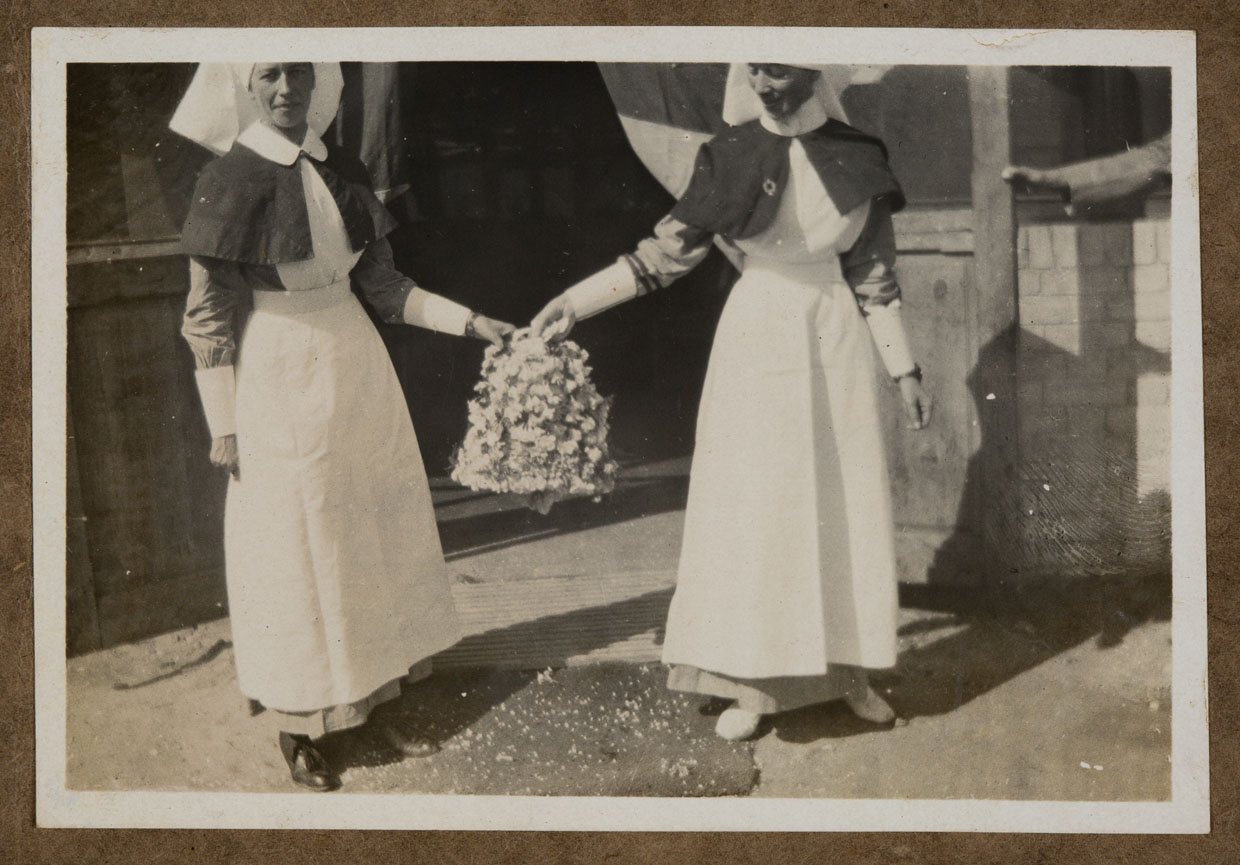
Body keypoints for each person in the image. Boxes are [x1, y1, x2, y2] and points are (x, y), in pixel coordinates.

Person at [532, 63, 932, 741]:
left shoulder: (857, 155)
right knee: (759, 512)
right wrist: (574, 303)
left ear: (814, 69)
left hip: (833, 339)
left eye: (779, 69)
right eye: (756, 68)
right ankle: (752, 683)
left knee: (842, 506)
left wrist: (905, 370)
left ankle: (851, 674)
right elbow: (664, 254)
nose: (765, 83)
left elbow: (872, 273)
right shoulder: (730, 154)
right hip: (757, 337)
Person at [172, 62, 514, 790]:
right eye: (271, 76)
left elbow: (385, 288)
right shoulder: (230, 180)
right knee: (297, 545)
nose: (288, 88)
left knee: (369, 536)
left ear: (322, 84)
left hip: (358, 365)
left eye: (301, 74)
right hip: (281, 371)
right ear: (249, 88)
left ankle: (368, 697)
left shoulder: (342, 167)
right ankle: (300, 727)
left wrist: (471, 322)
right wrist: (224, 423)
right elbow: (205, 318)